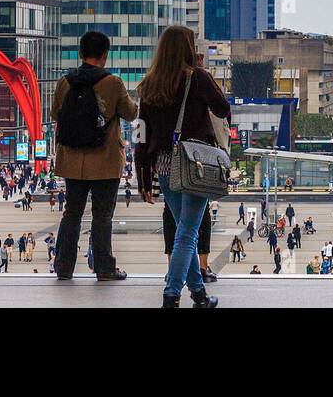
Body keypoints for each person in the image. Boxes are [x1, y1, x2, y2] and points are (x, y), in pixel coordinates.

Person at [134, 24, 231, 308]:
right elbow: (222, 108)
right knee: (188, 233)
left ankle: (199, 295)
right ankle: (171, 295)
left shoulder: (149, 84)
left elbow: (142, 135)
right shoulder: (198, 77)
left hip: (164, 165)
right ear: (189, 50)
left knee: (182, 233)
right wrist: (202, 73)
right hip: (195, 164)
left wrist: (143, 179)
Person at [52, 30, 138, 282]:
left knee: (72, 213)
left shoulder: (64, 82)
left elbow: (55, 114)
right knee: (103, 215)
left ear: (80, 53)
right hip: (105, 159)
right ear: (105, 55)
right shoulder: (112, 82)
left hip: (72, 160)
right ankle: (104, 268)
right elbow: (131, 113)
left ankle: (64, 266)